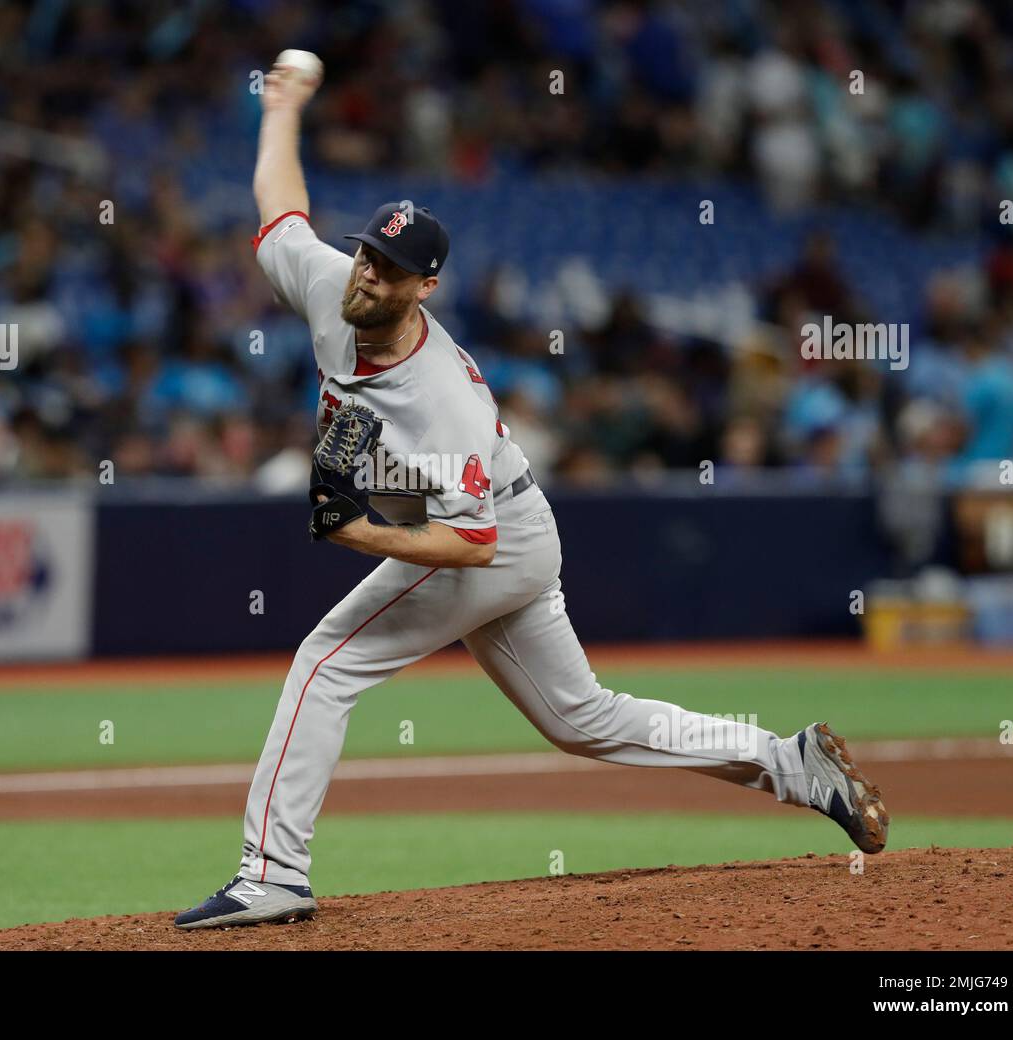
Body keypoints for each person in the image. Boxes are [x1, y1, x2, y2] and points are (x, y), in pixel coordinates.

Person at [174, 61, 889, 930]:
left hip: (493, 537)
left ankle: (274, 874)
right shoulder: (333, 284)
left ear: (423, 288)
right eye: (367, 253)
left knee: (326, 664)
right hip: (500, 529)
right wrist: (281, 108)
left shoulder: (441, 399)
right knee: (581, 719)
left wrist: (362, 534)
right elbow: (279, 209)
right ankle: (792, 763)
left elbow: (472, 546)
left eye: (390, 269)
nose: (367, 275)